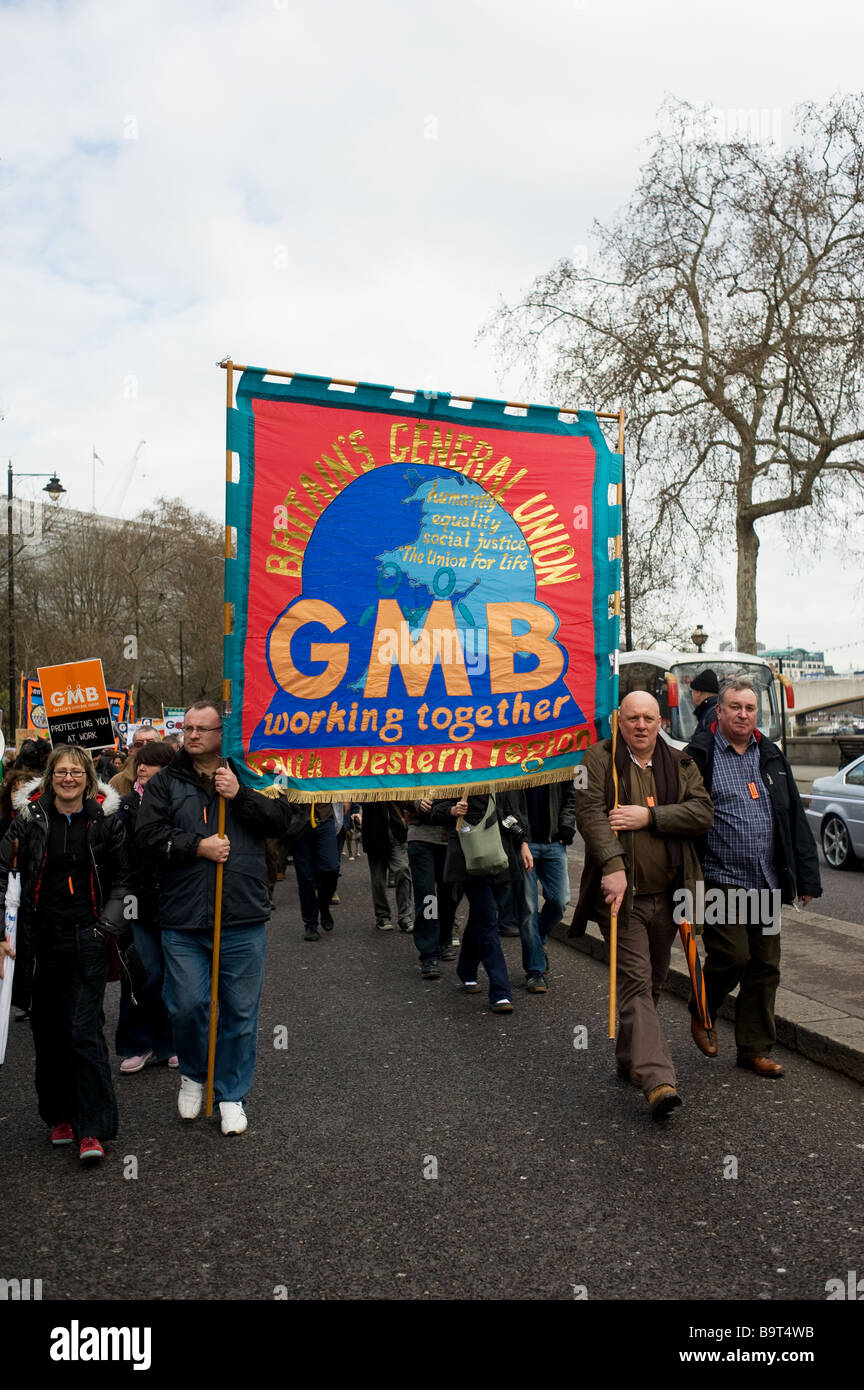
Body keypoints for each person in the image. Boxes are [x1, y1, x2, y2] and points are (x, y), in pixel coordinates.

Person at [136, 700, 294, 1135]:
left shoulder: (251, 774)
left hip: (241, 914)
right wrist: (196, 846)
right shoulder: (165, 783)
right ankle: (193, 1073)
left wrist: (238, 795)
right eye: (187, 728)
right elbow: (147, 837)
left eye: (202, 729)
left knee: (241, 1012)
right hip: (184, 917)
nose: (192, 736)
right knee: (187, 1005)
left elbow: (282, 821)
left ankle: (231, 1094)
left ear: (222, 734)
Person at [571, 692, 714, 1118]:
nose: (640, 726)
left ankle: (627, 1059)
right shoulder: (594, 760)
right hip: (622, 897)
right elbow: (588, 813)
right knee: (635, 982)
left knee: (652, 983)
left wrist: (649, 817)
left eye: (648, 718)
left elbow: (702, 812)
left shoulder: (682, 762)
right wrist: (612, 864)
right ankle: (658, 1080)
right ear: (620, 719)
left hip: (670, 896)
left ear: (659, 721)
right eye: (632, 717)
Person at [0, 745, 132, 1162]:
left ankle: (91, 1127)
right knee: (49, 1032)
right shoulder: (28, 820)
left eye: (77, 771)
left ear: (88, 777)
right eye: (62, 771)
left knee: (83, 1031)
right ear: (50, 776)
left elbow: (126, 879)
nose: (69, 778)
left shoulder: (105, 822)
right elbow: (3, 874)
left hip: (88, 939)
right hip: (39, 942)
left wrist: (106, 928)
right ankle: (59, 1115)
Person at [684, 677, 821, 1077]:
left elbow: (793, 816)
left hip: (765, 877)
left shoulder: (771, 754)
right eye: (735, 707)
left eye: (749, 708)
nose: (743, 714)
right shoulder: (699, 755)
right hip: (719, 875)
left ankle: (754, 1048)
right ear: (720, 711)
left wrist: (806, 879)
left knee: (764, 965)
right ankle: (702, 1008)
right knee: (732, 956)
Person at [431, 793, 532, 1013]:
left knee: (482, 916)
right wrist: (452, 810)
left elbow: (514, 812)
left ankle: (467, 970)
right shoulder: (457, 771)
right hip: (468, 858)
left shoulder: (501, 775)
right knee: (487, 921)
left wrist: (523, 843)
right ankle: (500, 992)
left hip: (499, 855)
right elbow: (435, 809)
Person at [115, 741, 177, 1073]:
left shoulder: (180, 803)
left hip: (175, 902)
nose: (143, 768)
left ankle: (169, 1042)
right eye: (140, 763)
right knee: (141, 972)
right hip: (136, 903)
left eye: (152, 764)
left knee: (172, 975)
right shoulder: (124, 807)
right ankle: (137, 1043)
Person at [511, 781, 577, 993]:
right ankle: (534, 971)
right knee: (528, 909)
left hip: (554, 843)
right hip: (524, 844)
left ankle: (536, 941)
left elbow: (571, 795)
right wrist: (518, 837)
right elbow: (506, 805)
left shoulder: (555, 752)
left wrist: (566, 826)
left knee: (560, 900)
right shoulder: (511, 756)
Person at [401, 798, 457, 980]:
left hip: (451, 836)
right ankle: (429, 953)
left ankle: (445, 938)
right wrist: (416, 803)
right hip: (421, 836)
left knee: (449, 895)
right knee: (427, 897)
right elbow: (397, 787)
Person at [290, 802, 341, 941]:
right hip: (299, 820)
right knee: (305, 876)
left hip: (324, 818)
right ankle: (310, 924)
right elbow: (279, 783)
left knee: (331, 868)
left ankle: (323, 903)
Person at [359, 802, 413, 933]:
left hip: (396, 831)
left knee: (403, 869)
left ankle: (405, 916)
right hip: (374, 832)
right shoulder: (367, 782)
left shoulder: (397, 780)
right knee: (378, 880)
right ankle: (382, 916)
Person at [110, 726, 162, 796]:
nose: (145, 746)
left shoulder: (171, 777)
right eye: (139, 744)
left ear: (160, 745)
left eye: (150, 743)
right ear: (133, 747)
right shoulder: (117, 781)